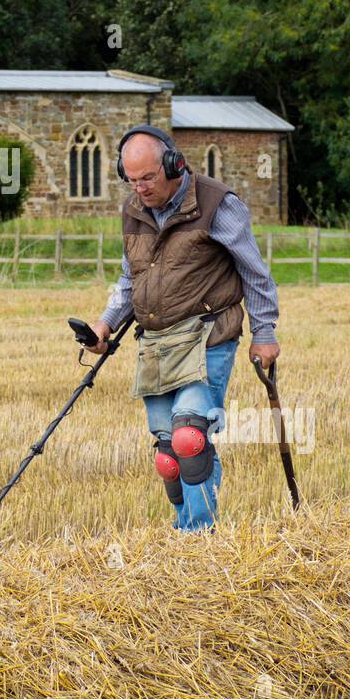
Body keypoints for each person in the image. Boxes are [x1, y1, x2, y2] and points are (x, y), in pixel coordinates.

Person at [86, 125, 280, 532]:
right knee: (167, 454)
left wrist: (264, 333)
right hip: (156, 343)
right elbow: (130, 278)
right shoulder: (134, 211)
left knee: (189, 438)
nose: (139, 188)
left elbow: (254, 273)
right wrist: (105, 324)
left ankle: (200, 536)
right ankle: (183, 531)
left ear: (174, 164)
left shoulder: (217, 204)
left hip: (207, 337)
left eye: (148, 178)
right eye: (131, 180)